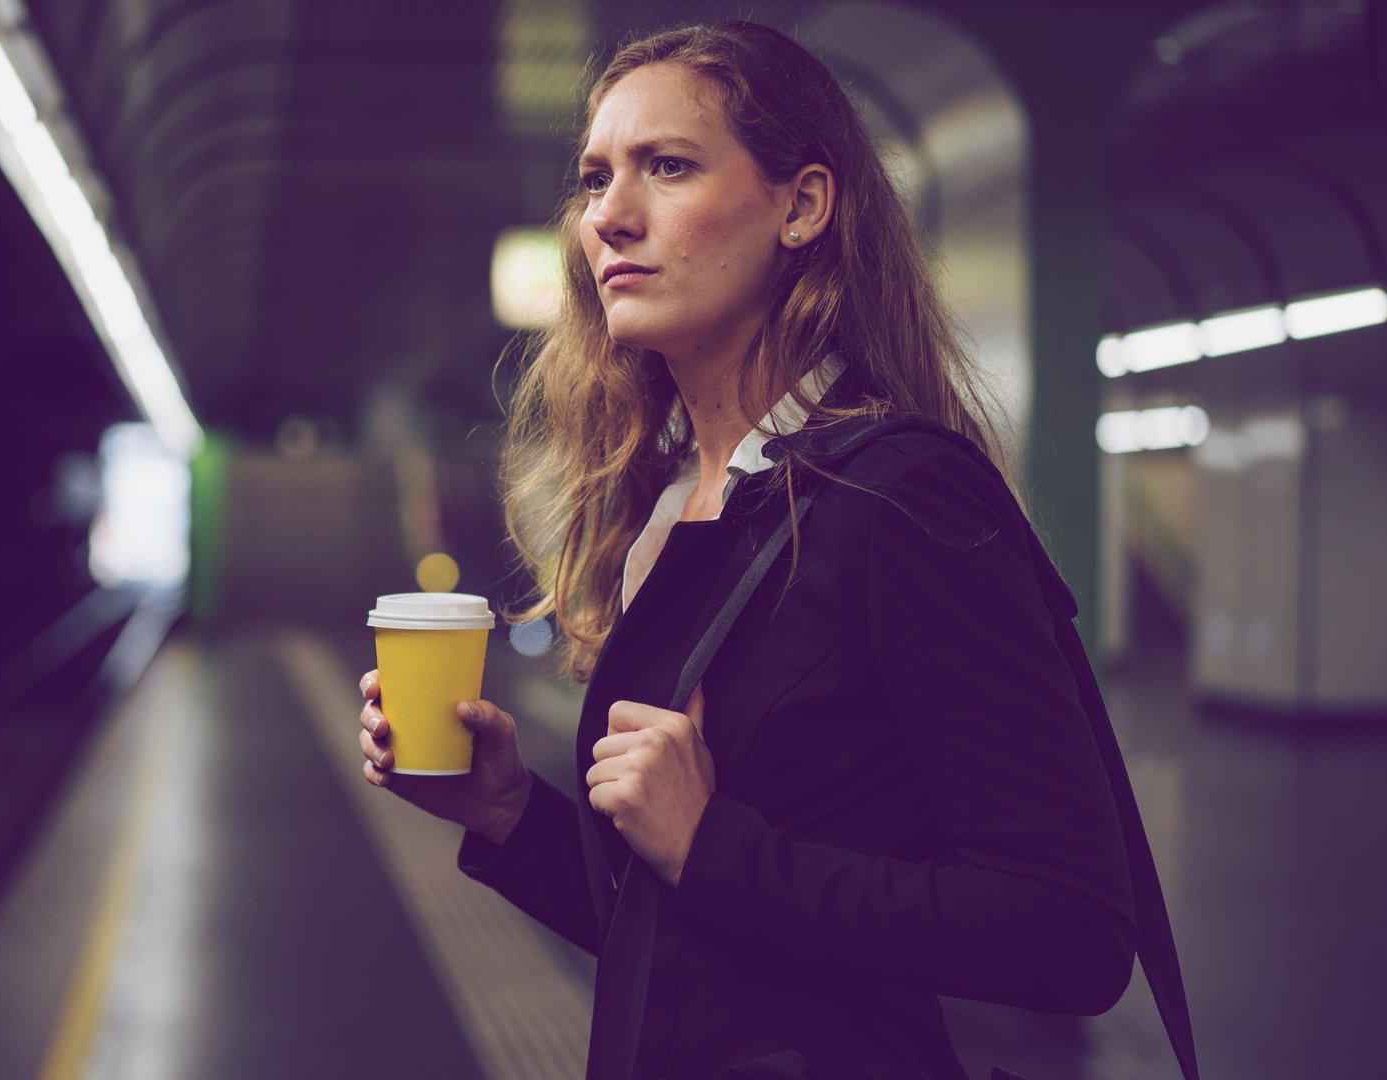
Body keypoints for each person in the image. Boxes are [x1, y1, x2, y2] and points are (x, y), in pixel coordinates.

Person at [357, 22, 1138, 1080]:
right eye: (596, 179)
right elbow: (676, 945)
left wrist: (716, 847)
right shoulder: (674, 504)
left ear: (802, 206)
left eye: (667, 167)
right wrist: (504, 812)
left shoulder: (899, 500)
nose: (610, 218)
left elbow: (1070, 931)